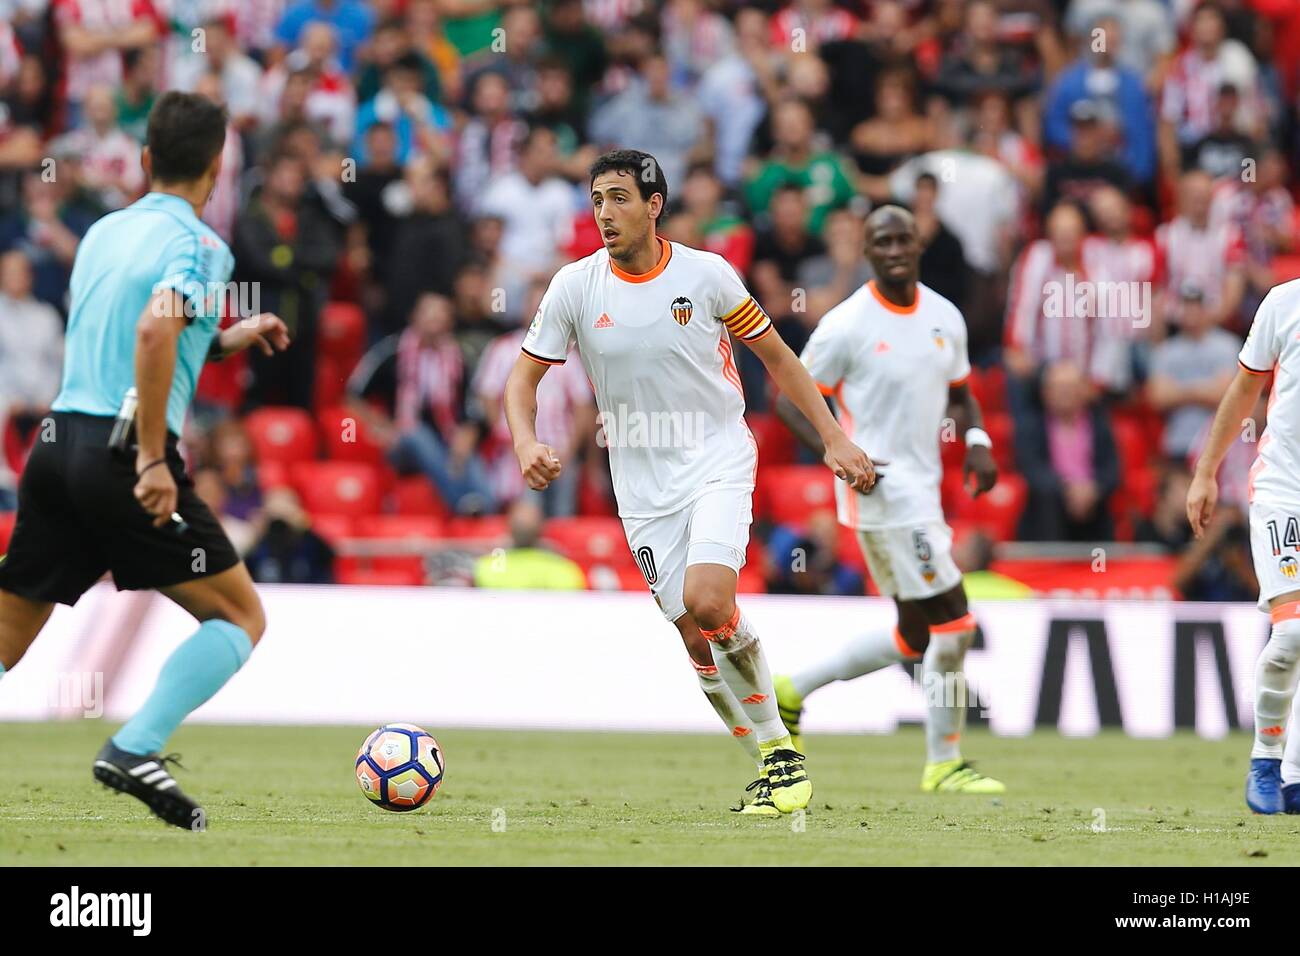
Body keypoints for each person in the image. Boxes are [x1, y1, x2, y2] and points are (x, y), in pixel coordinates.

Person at [504, 149, 876, 816]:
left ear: (654, 205)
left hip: (716, 456)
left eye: (619, 198)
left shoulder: (706, 276)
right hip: (640, 480)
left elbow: (779, 360)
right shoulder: (575, 286)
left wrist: (834, 438)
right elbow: (522, 380)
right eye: (596, 201)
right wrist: (527, 439)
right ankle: (769, 760)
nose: (605, 214)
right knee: (692, 635)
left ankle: (782, 758)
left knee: (709, 600)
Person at [0, 92, 291, 829]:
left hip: (59, 447)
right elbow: (156, 335)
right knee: (238, 616)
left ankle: (134, 747)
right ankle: (136, 746)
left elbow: (130, 333)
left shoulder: (100, 231)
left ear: (146, 159)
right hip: (125, 451)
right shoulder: (200, 245)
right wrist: (155, 460)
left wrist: (230, 335)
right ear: (218, 166)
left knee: (7, 636)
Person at [771, 204, 1006, 795]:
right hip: (879, 490)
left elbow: (962, 392)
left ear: (918, 244)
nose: (896, 248)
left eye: (904, 237)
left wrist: (976, 440)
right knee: (954, 624)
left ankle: (792, 690)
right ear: (869, 252)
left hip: (923, 489)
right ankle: (944, 763)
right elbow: (789, 401)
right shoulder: (848, 324)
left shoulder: (944, 317)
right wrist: (836, 450)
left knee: (917, 634)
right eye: (883, 241)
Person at [1187, 277, 1300, 814]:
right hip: (1286, 490)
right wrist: (1206, 470)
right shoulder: (1284, 301)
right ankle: (1266, 759)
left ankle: (1295, 781)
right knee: (1294, 630)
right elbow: (1243, 389)